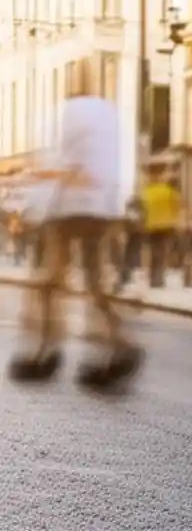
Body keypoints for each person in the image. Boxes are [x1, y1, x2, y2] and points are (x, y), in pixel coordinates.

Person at [9, 62, 140, 384]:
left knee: (49, 282)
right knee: (95, 281)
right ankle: (120, 345)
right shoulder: (110, 113)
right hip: (102, 209)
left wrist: (34, 202)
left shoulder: (64, 113)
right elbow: (117, 164)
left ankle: (45, 352)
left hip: (68, 208)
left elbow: (60, 163)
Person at [140, 167, 182, 288]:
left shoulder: (145, 192)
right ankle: (157, 279)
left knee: (155, 252)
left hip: (153, 226)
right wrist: (177, 221)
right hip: (163, 226)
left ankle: (155, 278)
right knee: (160, 252)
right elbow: (178, 207)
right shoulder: (169, 191)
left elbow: (140, 210)